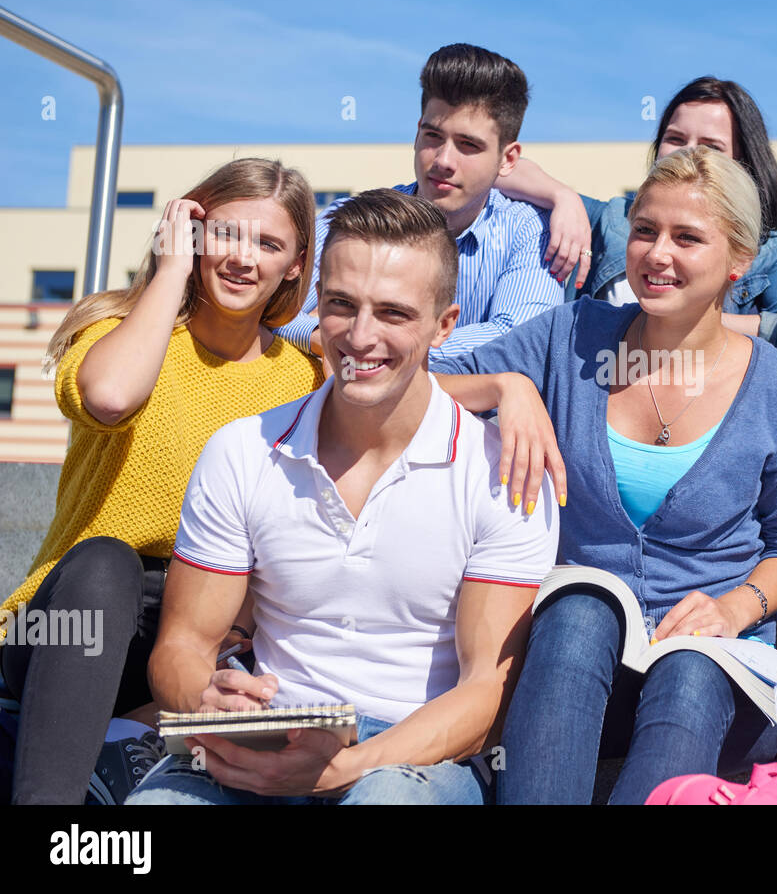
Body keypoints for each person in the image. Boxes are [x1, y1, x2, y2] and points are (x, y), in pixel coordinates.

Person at [125, 189, 559, 806]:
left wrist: (343, 766)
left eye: (393, 313)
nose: (360, 337)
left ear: (444, 325)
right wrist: (205, 700)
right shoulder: (242, 450)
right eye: (341, 305)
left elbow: (485, 696)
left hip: (415, 754)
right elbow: (181, 647)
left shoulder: (503, 471)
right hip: (267, 732)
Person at [431, 147, 777, 804]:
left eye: (686, 237)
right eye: (645, 230)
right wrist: (506, 385)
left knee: (694, 667)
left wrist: (733, 607)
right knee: (580, 604)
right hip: (575, 669)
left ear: (739, 261)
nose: (656, 253)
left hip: (720, 678)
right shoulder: (570, 335)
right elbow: (420, 391)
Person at [0, 159, 323, 804]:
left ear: (295, 266)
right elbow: (113, 397)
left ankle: (132, 743)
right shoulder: (113, 330)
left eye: (268, 244)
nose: (242, 259)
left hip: (204, 630)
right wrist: (170, 269)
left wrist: (504, 385)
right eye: (226, 234)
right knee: (108, 563)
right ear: (193, 235)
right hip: (71, 620)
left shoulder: (305, 380)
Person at [275, 43, 567, 363]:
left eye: (468, 145)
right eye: (433, 137)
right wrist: (319, 335)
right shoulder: (346, 220)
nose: (443, 160)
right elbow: (273, 311)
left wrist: (346, 339)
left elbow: (518, 342)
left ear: (508, 158)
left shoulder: (531, 230)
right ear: (417, 134)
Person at [498, 76, 777, 342]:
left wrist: (689, 321)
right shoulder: (611, 218)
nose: (689, 152)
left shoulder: (774, 249)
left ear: (743, 161)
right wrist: (562, 196)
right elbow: (501, 169)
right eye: (675, 138)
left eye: (711, 146)